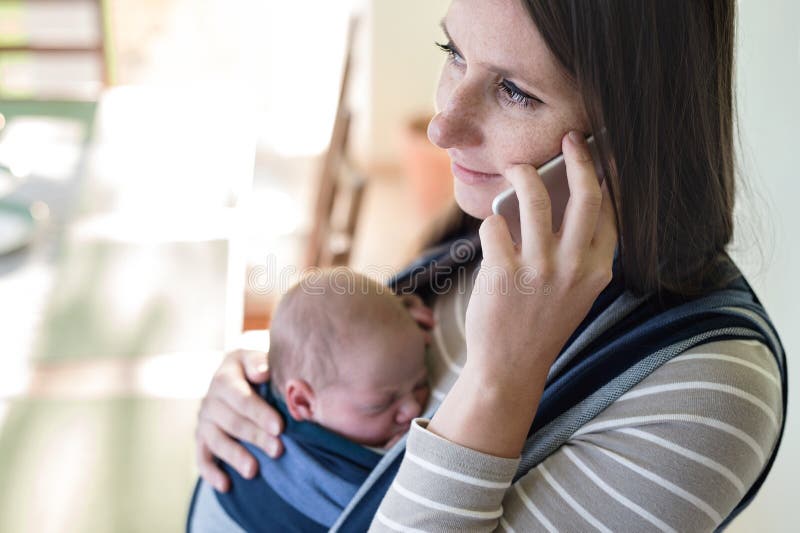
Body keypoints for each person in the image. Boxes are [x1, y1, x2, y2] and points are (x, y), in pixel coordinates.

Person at [189, 0, 787, 531]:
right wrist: (260, 394)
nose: (441, 126)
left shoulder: (710, 395)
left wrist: (503, 379)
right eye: (453, 52)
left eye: (515, 92)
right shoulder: (491, 236)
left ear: (632, 132)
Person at [205, 268, 430, 531]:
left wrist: (393, 319)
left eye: (420, 384)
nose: (413, 408)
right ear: (302, 403)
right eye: (379, 404)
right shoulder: (334, 477)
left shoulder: (346, 385)